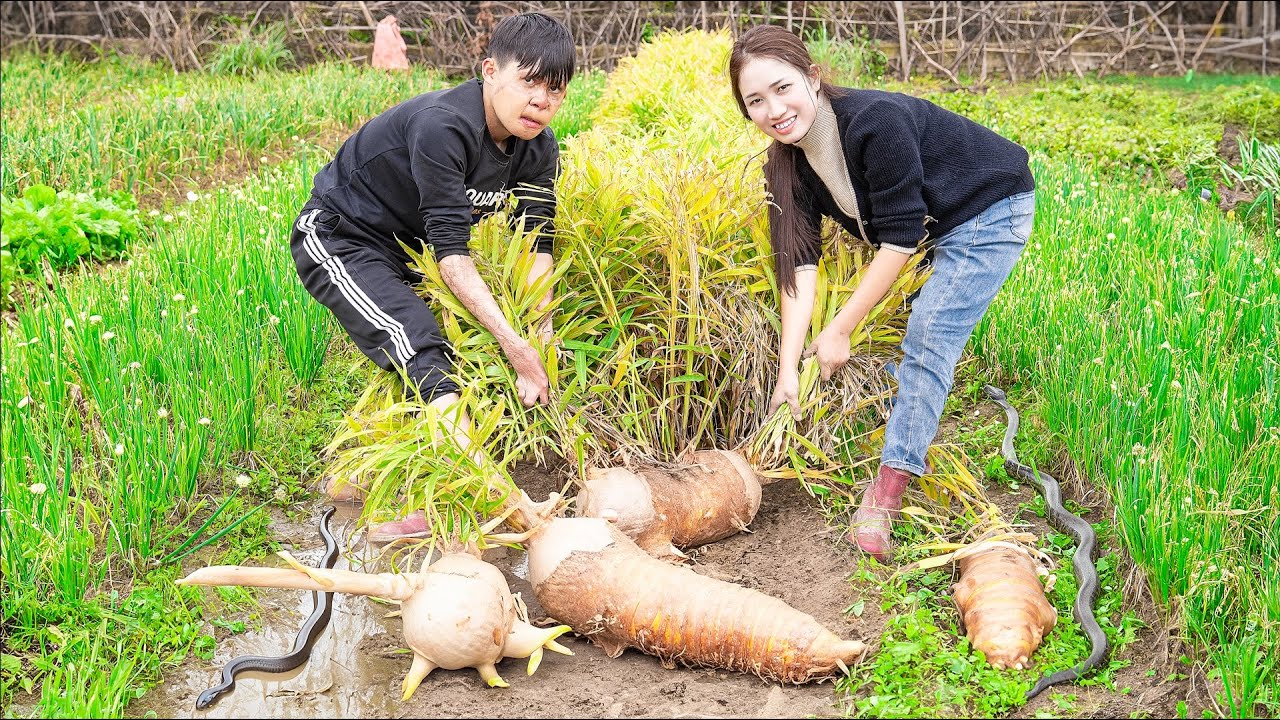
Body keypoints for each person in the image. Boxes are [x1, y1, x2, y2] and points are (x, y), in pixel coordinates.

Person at [728, 26, 1036, 563]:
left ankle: (886, 493)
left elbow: (899, 237)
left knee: (929, 334)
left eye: (783, 88)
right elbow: (800, 267)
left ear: (814, 78)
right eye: (755, 100)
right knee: (926, 332)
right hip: (936, 221)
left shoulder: (875, 123)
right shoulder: (787, 164)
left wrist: (840, 328)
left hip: (989, 208)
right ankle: (916, 414)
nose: (774, 109)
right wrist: (786, 370)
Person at [291, 12, 575, 541]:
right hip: (343, 237)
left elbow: (537, 241)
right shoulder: (444, 125)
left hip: (408, 249)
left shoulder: (538, 147)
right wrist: (514, 344)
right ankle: (491, 495)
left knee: (458, 354)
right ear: (490, 71)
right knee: (419, 343)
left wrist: (542, 331)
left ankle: (382, 488)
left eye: (555, 90)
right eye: (529, 82)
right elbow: (451, 254)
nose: (542, 101)